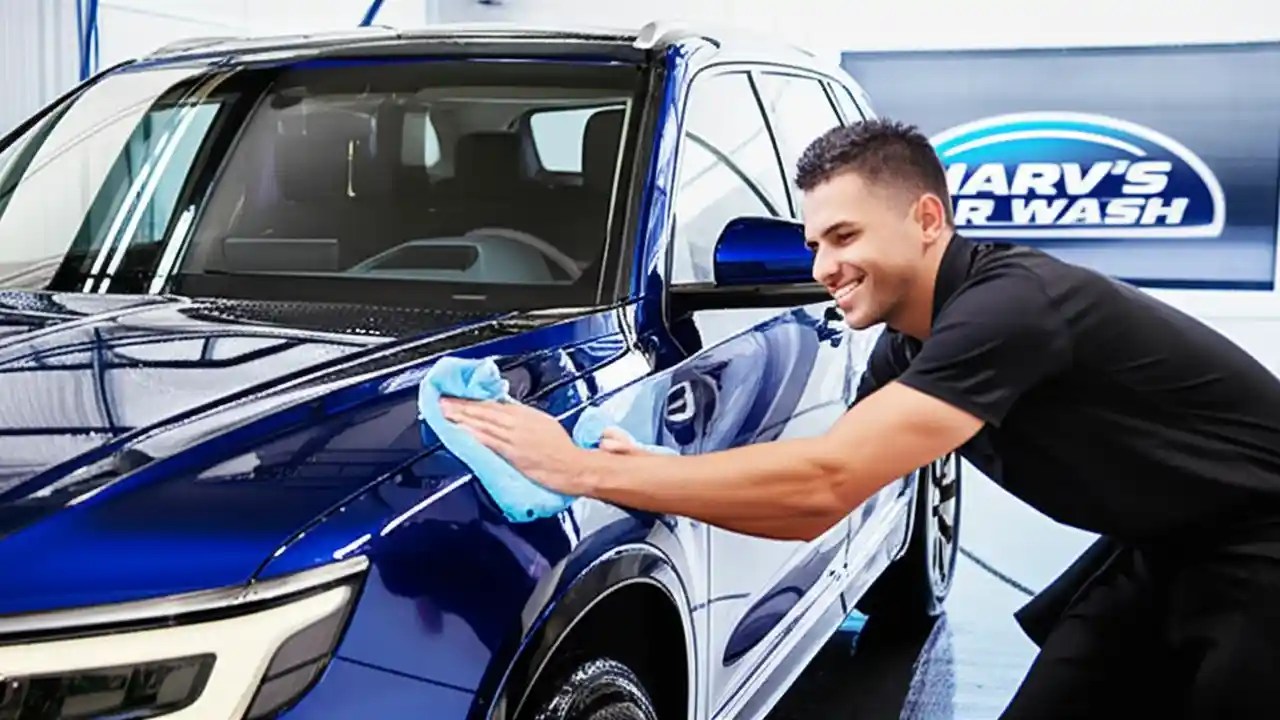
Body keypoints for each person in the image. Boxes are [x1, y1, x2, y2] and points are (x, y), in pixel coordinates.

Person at [440, 118, 1280, 718]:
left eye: (843, 235)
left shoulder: (1015, 306)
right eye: (812, 244)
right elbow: (823, 493)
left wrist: (583, 469)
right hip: (1165, 544)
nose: (824, 267)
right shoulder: (907, 351)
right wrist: (637, 467)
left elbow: (821, 482)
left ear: (926, 219)